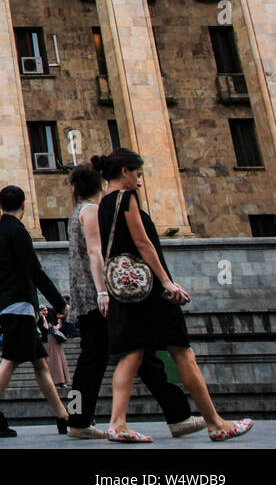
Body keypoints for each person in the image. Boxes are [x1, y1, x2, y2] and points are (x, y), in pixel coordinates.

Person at [93, 149, 253, 444]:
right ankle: (216, 422)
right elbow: (143, 243)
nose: (140, 181)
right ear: (125, 171)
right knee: (183, 353)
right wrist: (167, 282)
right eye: (138, 174)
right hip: (149, 290)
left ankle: (117, 423)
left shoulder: (103, 203)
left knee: (131, 353)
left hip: (125, 290)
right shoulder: (126, 198)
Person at [64, 162, 203, 440]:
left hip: (85, 296)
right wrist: (103, 291)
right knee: (139, 353)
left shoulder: (77, 211)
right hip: (101, 296)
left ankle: (77, 418)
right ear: (101, 184)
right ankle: (178, 416)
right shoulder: (91, 211)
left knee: (97, 360)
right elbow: (95, 252)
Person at [0, 185, 70, 438]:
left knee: (40, 363)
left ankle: (63, 416)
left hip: (7, 306)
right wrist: (59, 303)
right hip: (20, 305)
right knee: (11, 360)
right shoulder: (18, 231)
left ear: (0, 205)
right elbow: (35, 271)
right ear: (24, 205)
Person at [40, 308, 70, 388]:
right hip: (48, 341)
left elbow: (58, 324)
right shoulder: (40, 319)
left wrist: (57, 326)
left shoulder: (53, 318)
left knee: (58, 360)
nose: (45, 312)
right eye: (43, 310)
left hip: (55, 340)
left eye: (46, 310)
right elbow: (45, 327)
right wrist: (43, 318)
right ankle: (55, 381)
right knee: (53, 361)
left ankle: (61, 380)